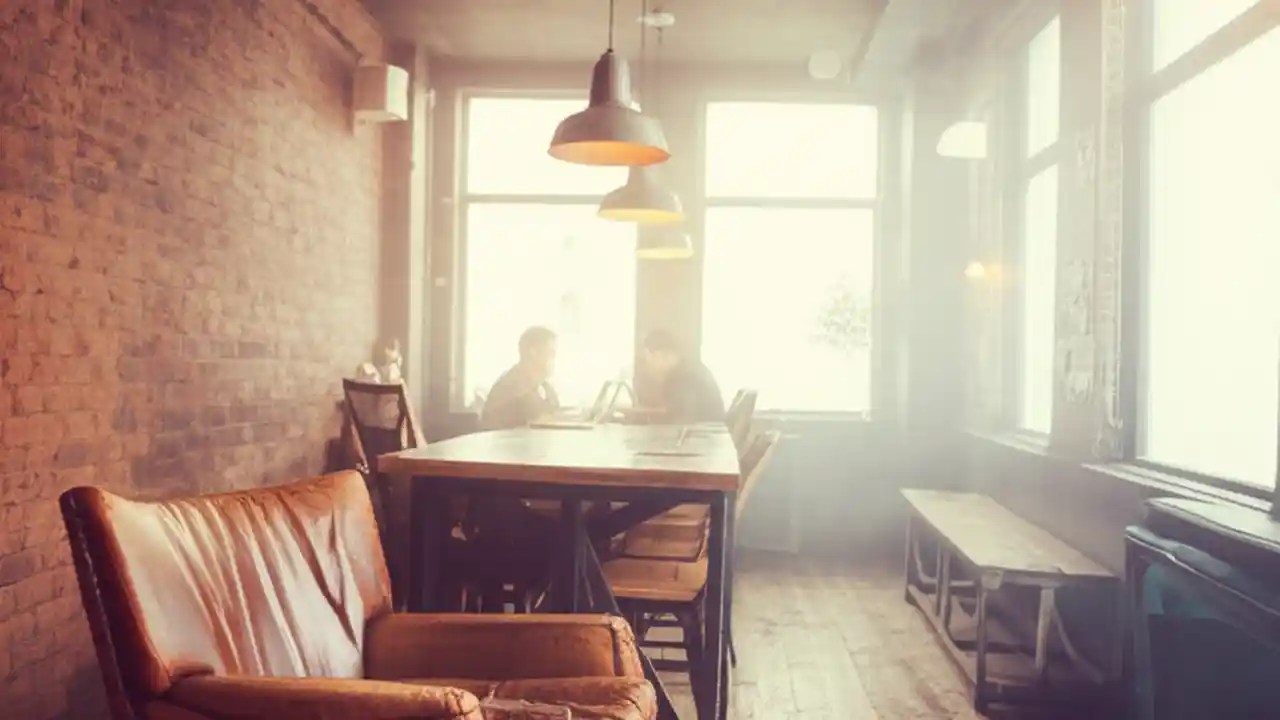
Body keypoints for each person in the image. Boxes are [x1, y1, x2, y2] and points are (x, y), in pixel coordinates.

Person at [481, 326, 560, 430]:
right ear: (534, 353)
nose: (554, 359)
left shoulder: (544, 387)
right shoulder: (509, 388)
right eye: (551, 353)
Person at [640, 329, 726, 423]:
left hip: (702, 435)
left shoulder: (687, 377)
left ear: (661, 355)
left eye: (649, 358)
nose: (648, 365)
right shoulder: (687, 369)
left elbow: (683, 422)